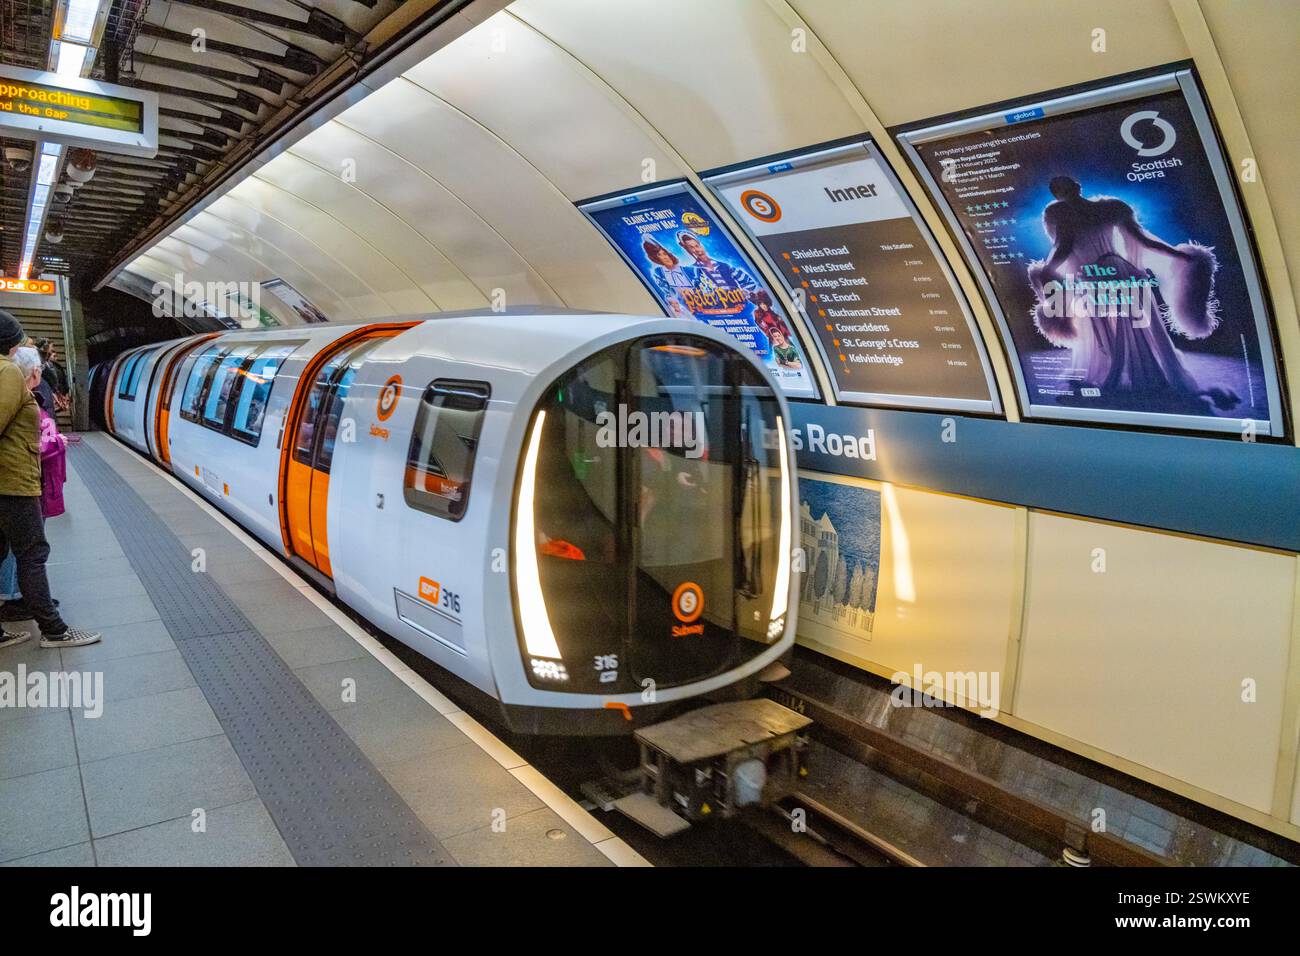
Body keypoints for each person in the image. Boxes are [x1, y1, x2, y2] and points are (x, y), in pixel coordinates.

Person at [1027, 175, 1234, 416]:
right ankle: (1142, 375)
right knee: (1132, 327)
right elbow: (1144, 241)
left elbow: (1064, 245)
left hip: (1094, 276)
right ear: (1074, 187)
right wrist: (1181, 257)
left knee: (1104, 328)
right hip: (1121, 272)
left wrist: (1047, 270)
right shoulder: (1112, 207)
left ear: (1062, 192)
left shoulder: (1060, 211)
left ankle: (1115, 376)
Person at [0, 312, 100, 649]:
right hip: (12, 482)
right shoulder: (8, 374)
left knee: (3, 551)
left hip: (6, 481)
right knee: (32, 552)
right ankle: (54, 631)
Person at [34, 338, 69, 415]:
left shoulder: (52, 365)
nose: (52, 352)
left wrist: (60, 395)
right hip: (44, 399)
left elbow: (60, 382)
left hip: (52, 400)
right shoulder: (37, 363)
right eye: (51, 350)